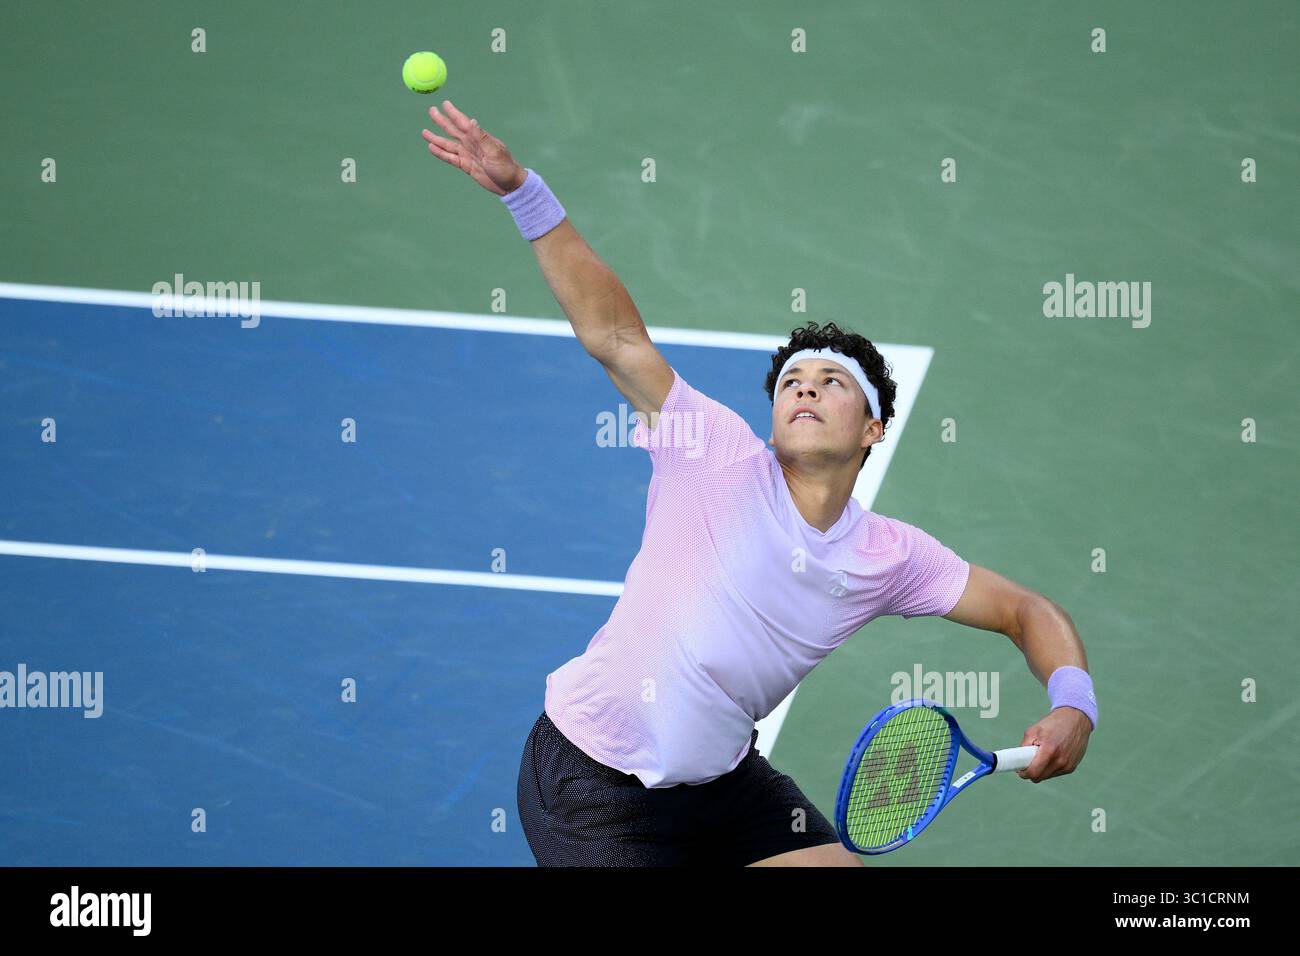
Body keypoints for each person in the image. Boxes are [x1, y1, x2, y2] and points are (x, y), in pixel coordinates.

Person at [422, 100, 1095, 867]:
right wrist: (523, 192)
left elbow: (1024, 610)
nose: (805, 389)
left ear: (872, 431)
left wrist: (1074, 703)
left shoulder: (889, 556)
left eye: (832, 383)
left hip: (721, 790)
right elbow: (613, 336)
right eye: (792, 382)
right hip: (591, 787)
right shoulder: (709, 452)